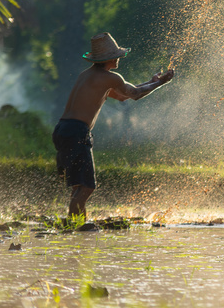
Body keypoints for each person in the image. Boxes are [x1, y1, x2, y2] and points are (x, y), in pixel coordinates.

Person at [53, 32, 174, 225]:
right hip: (77, 131)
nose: (119, 59)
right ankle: (73, 226)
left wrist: (153, 82)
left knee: (78, 186)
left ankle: (77, 226)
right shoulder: (110, 77)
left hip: (63, 129)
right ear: (109, 59)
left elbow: (122, 95)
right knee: (86, 187)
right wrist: (161, 82)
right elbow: (134, 94)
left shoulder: (88, 75)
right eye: (116, 56)